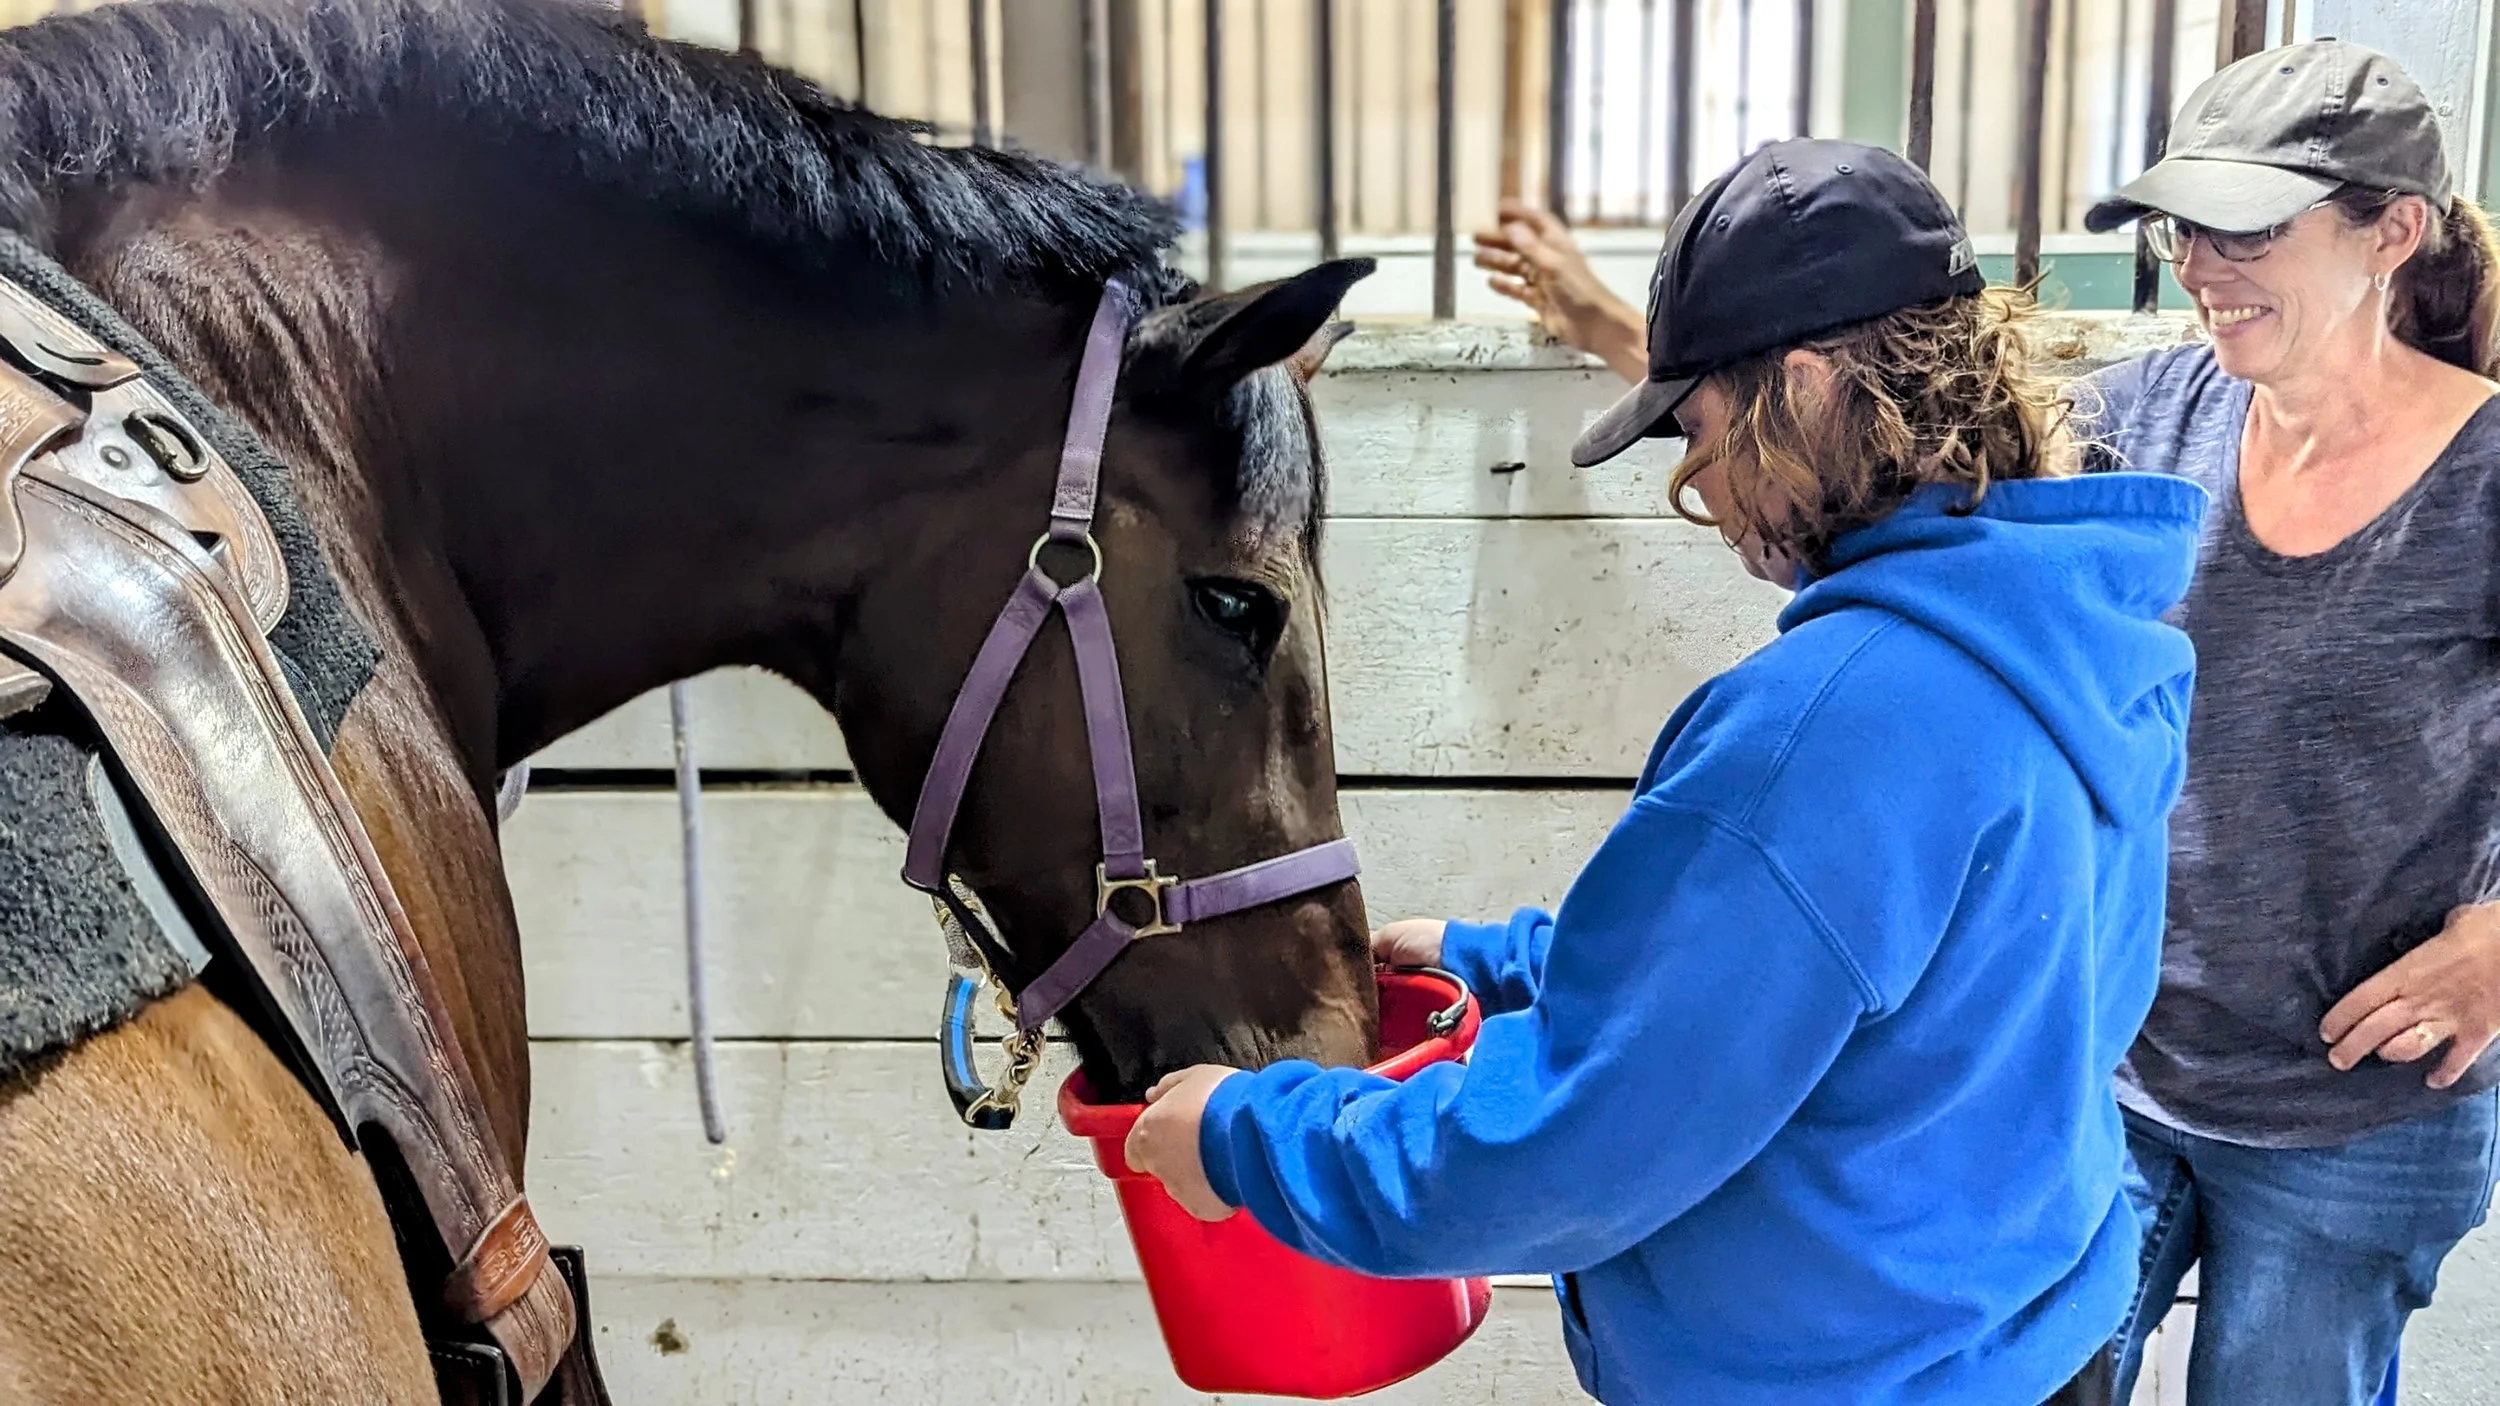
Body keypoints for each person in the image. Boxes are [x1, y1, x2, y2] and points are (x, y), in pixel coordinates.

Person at [1123, 137, 2208, 1406]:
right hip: (2029, 1335)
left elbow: (1566, 1152)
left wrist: (1245, 1141)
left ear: (1801, 389)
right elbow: (1881, 967)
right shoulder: (2079, 637)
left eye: (1695, 427)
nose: (1696, 481)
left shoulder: (1822, 730)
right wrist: (1493, 958)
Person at [2072, 40, 2500, 1405]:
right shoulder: (2140, 417)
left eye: (2247, 227)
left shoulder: (2486, 472)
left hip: (2357, 1114)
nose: (2199, 263)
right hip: (2121, 1064)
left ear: (2394, 232)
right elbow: (1890, 455)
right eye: (2186, 227)